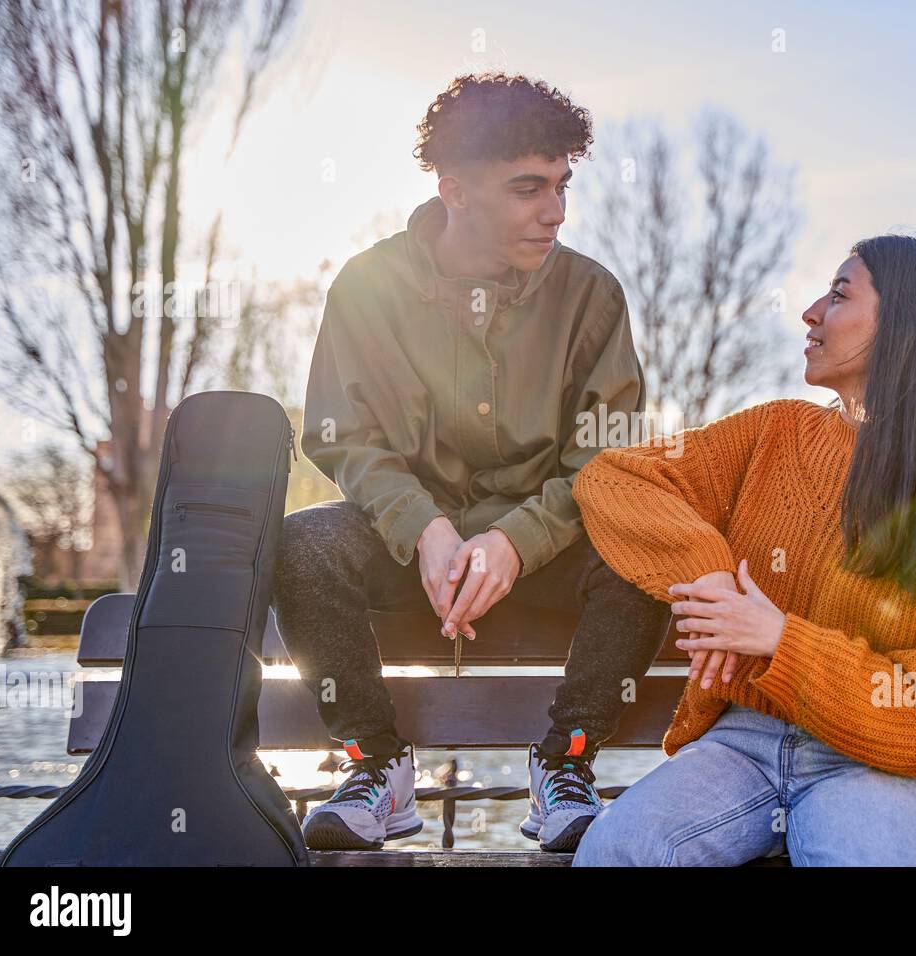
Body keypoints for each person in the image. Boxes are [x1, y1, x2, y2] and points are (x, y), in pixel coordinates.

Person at [271, 72, 673, 852]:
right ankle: (372, 763)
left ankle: (567, 763)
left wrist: (516, 540)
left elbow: (606, 459)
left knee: (646, 554)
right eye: (528, 188)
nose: (554, 211)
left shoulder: (594, 297)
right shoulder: (365, 288)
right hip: (407, 552)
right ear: (454, 190)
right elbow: (341, 433)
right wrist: (424, 529)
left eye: (562, 185)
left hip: (549, 557)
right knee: (305, 545)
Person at [569, 234, 916, 866]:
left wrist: (780, 640)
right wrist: (713, 582)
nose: (810, 313)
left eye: (839, 294)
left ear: (908, 324)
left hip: (879, 767)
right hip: (737, 743)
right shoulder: (775, 432)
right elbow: (614, 478)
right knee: (616, 852)